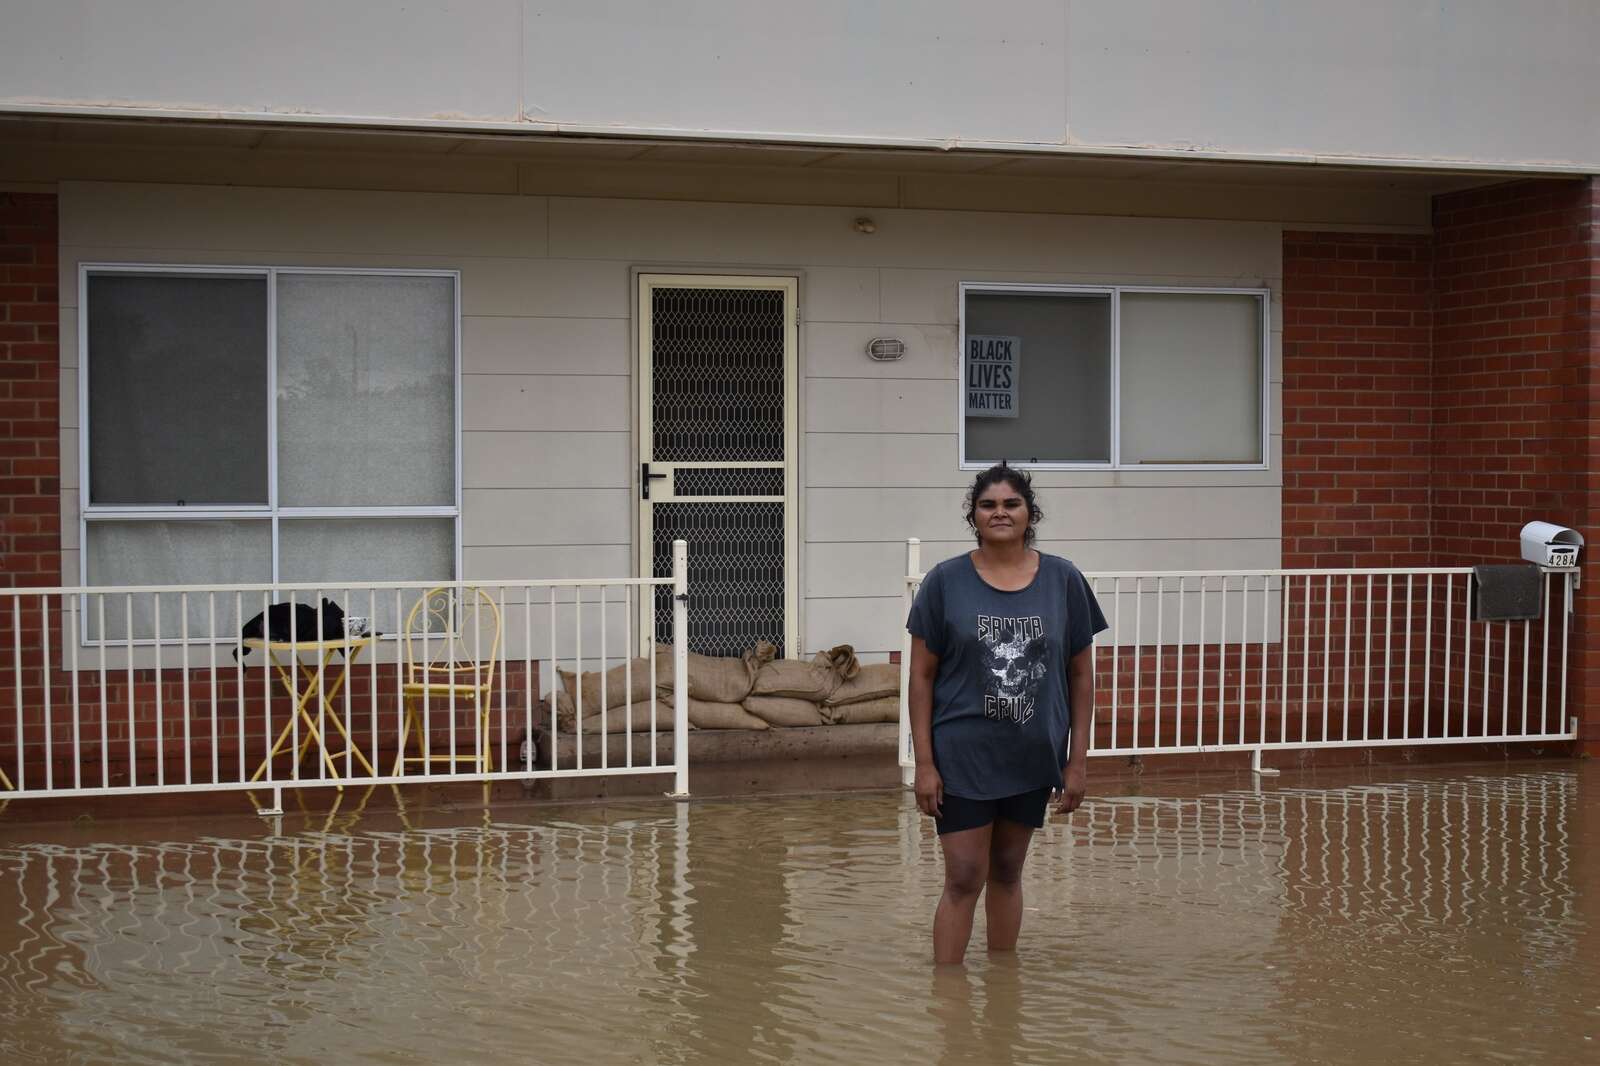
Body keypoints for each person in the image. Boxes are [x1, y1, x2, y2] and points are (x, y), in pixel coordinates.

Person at [906, 463, 1107, 964]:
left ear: (1029, 513)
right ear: (973, 516)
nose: (1000, 512)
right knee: (963, 877)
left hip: (1032, 756)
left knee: (1009, 871)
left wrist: (1076, 760)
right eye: (988, 504)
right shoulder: (945, 582)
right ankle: (948, 1003)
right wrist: (925, 765)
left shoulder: (1063, 580)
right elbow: (920, 677)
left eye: (1011, 504)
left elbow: (1081, 675)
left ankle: (1002, 990)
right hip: (963, 756)